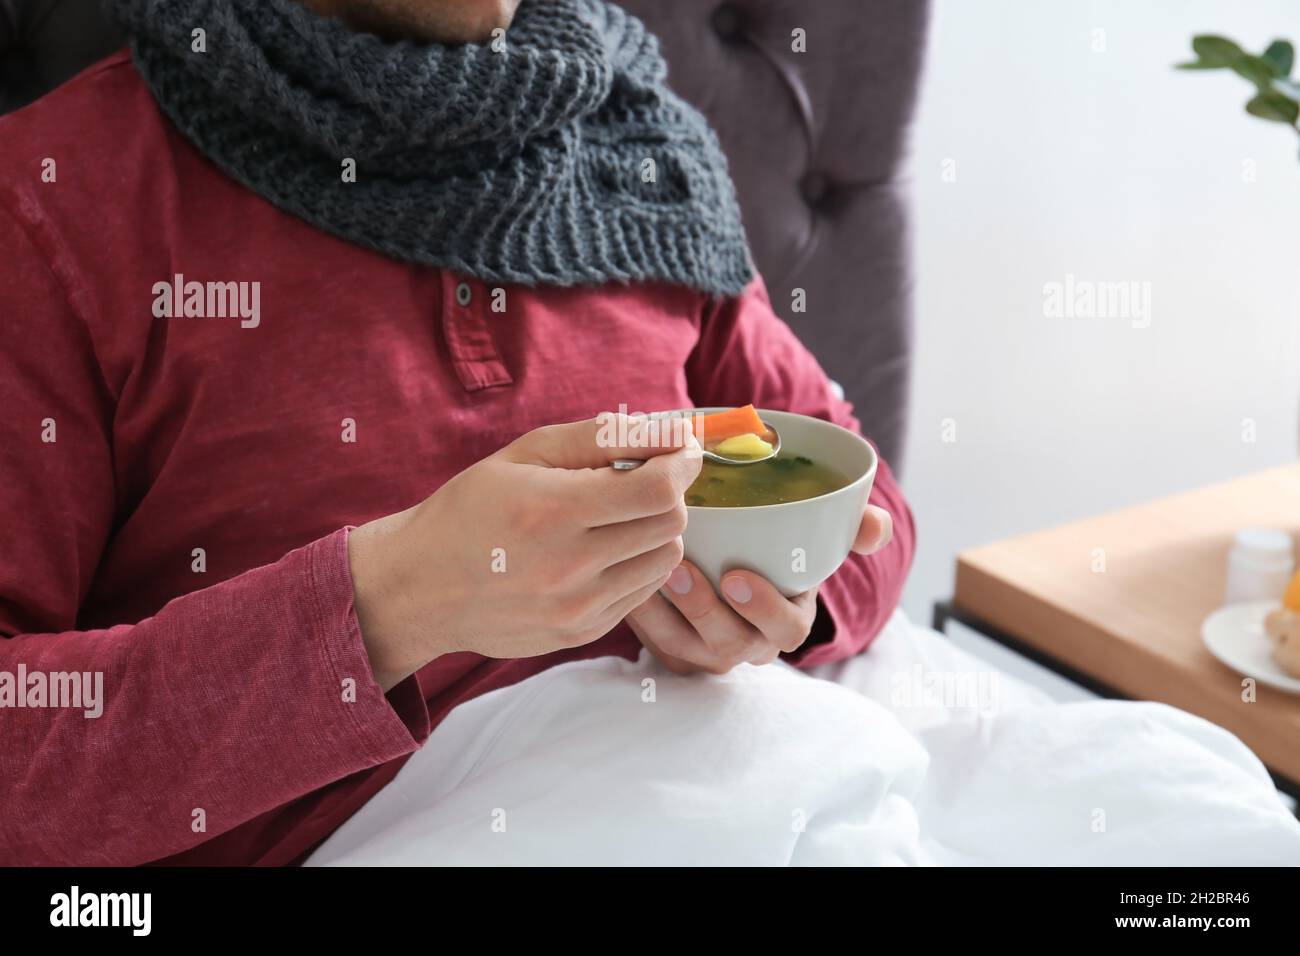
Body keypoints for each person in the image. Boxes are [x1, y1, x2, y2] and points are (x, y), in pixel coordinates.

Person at [0, 0, 914, 865]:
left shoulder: (648, 155)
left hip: (773, 792)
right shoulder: (52, 202)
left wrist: (767, 607)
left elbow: (873, 513)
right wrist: (392, 602)